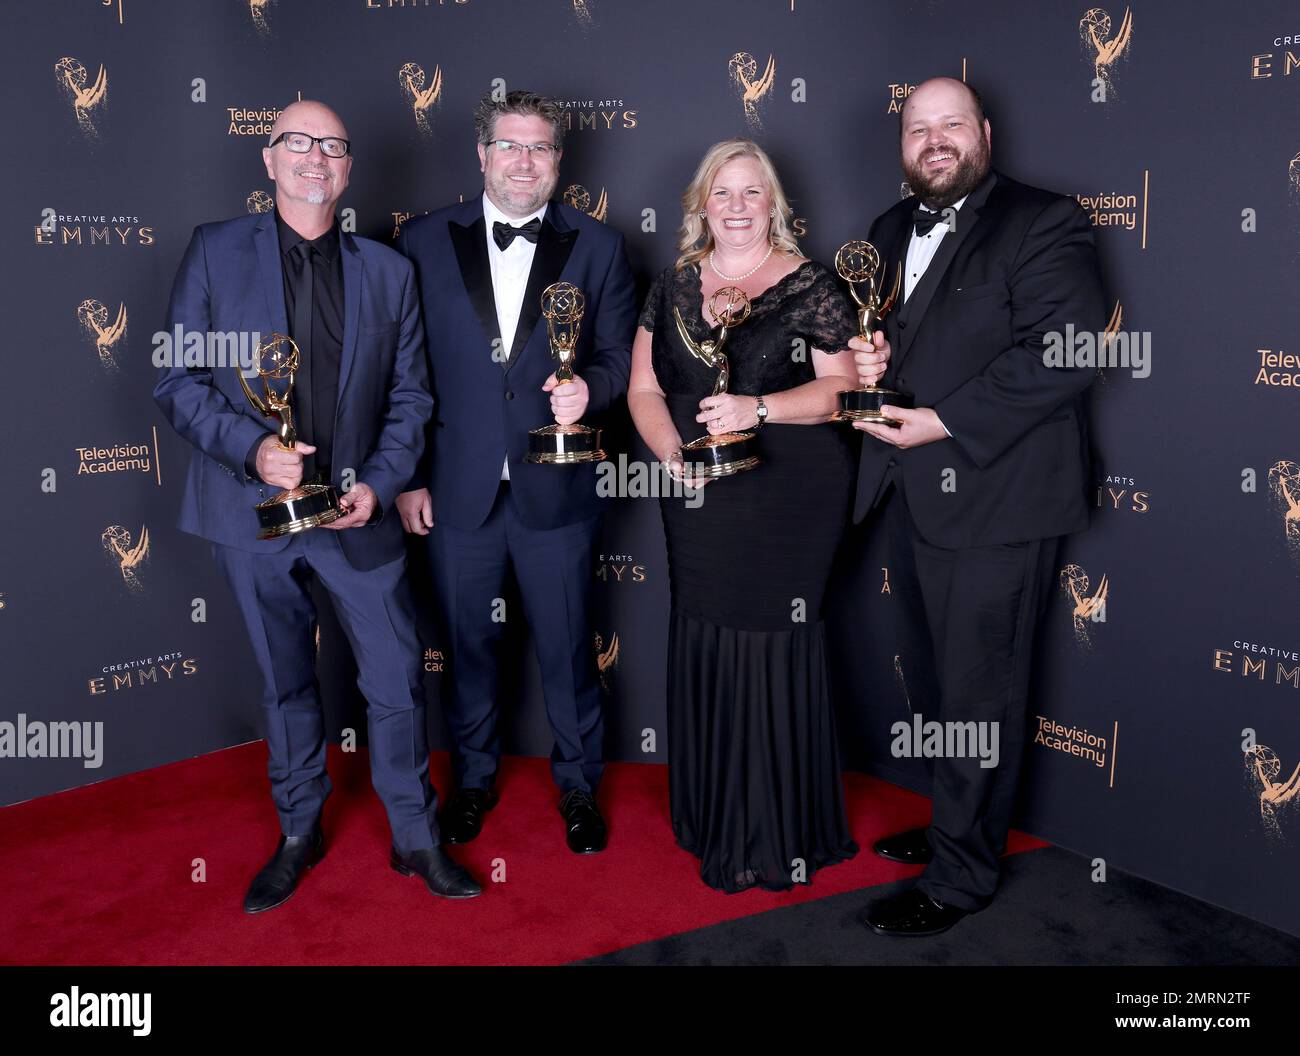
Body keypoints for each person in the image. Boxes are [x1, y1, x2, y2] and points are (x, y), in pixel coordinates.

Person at [154, 100, 480, 913]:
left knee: (399, 677)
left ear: (348, 170)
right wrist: (254, 450)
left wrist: (379, 479)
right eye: (297, 142)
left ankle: (415, 837)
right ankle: (299, 830)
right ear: (268, 160)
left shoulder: (389, 270)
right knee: (285, 680)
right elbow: (176, 379)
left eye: (333, 146)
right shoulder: (213, 250)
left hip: (355, 513)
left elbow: (411, 396)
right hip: (248, 510)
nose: (315, 157)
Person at [848, 77, 1104, 935]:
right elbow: (901, 341)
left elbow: (1063, 352)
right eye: (919, 128)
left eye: (951, 124)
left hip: (998, 502)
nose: (935, 140)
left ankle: (962, 878)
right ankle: (954, 827)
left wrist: (943, 422)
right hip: (910, 496)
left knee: (978, 697)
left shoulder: (1045, 220)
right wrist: (870, 358)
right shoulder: (889, 229)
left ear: (984, 133)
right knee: (933, 685)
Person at [395, 91, 635, 854]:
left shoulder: (599, 247)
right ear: (481, 154)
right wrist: (406, 476)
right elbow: (400, 370)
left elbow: (620, 358)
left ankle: (577, 788)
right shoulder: (423, 241)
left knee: (568, 649)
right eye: (509, 146)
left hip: (555, 487)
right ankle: (471, 783)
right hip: (455, 487)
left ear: (559, 162)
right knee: (468, 651)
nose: (524, 161)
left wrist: (587, 391)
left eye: (539, 149)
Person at [628, 139, 862, 892]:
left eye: (750, 193)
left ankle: (776, 829)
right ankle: (710, 814)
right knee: (708, 628)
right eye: (721, 193)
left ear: (774, 205)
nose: (735, 206)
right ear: (702, 205)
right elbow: (642, 390)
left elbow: (842, 391)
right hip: (699, 492)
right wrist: (672, 456)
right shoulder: (670, 288)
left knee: (770, 637)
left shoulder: (814, 285)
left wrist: (756, 407)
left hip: (792, 491)